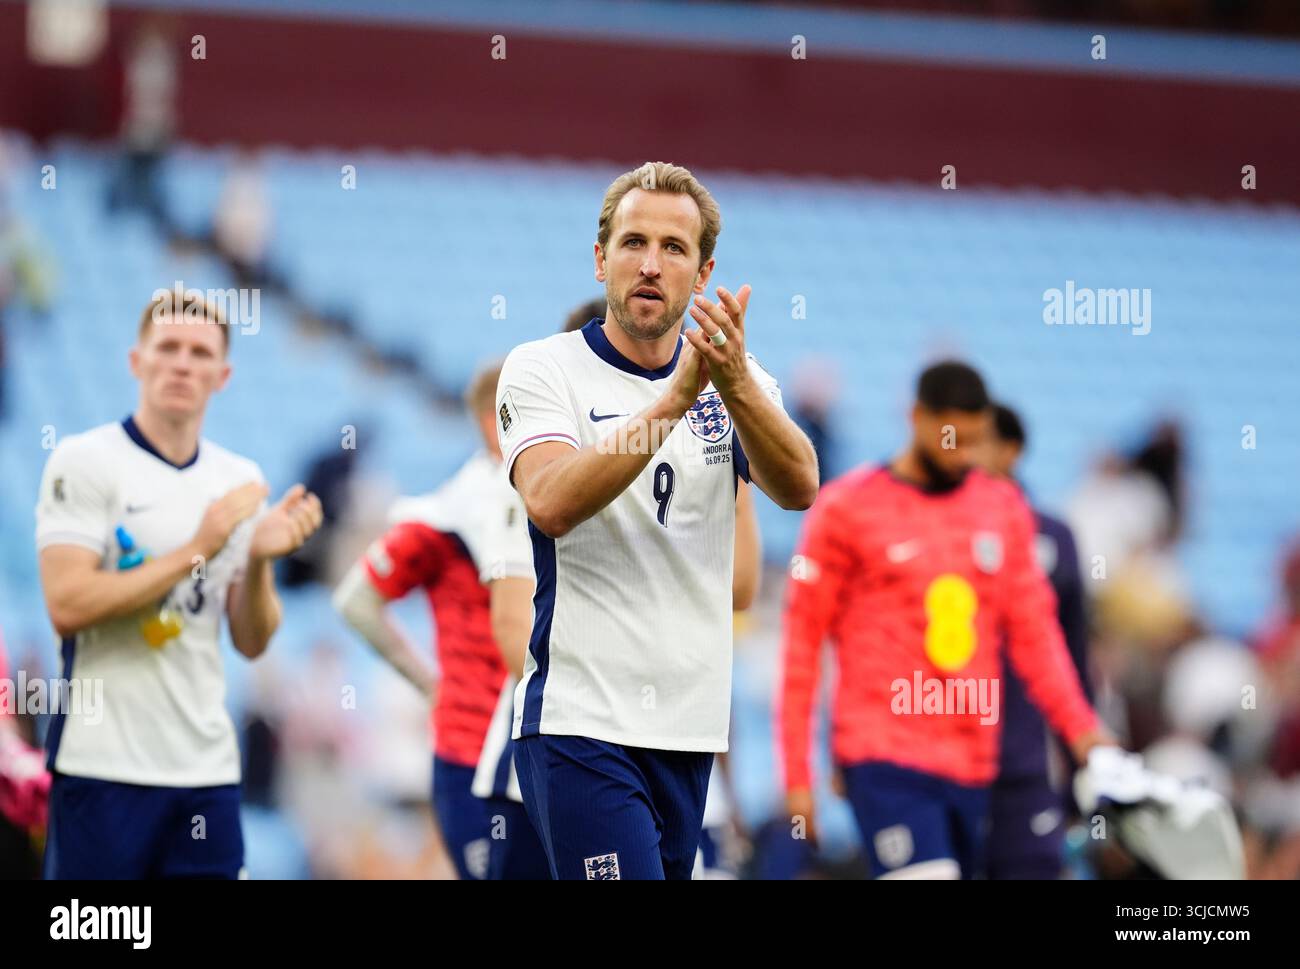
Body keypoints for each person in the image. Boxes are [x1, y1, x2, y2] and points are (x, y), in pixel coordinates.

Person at [497, 160, 818, 880]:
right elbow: (549, 502)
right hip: (581, 722)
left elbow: (799, 485)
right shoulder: (544, 368)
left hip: (687, 727)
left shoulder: (734, 376)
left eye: (674, 248)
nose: (650, 263)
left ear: (703, 273)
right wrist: (672, 402)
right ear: (600, 257)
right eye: (633, 241)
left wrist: (733, 386)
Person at [779, 361, 1112, 879]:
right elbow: (802, 645)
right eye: (953, 437)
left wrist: (1083, 733)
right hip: (883, 756)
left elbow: (1035, 636)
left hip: (974, 762)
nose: (963, 454)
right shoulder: (848, 509)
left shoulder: (1002, 509)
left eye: (975, 440)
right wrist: (798, 776)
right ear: (916, 417)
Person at [36, 290, 323, 879]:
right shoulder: (84, 460)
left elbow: (250, 640)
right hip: (103, 766)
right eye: (167, 347)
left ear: (223, 375)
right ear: (137, 361)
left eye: (199, 352)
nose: (182, 363)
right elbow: (66, 605)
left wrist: (261, 560)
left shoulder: (239, 479)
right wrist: (197, 548)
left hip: (205, 770)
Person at [333, 363, 520, 880]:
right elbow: (356, 600)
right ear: (493, 420)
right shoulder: (450, 515)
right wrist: (431, 686)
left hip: (545, 749)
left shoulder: (554, 496)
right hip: (473, 753)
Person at [977, 402, 1091, 879]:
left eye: (976, 441)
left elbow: (1074, 655)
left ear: (1012, 450)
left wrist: (1081, 763)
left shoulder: (1053, 538)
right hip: (947, 754)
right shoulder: (933, 531)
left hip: (1025, 762)